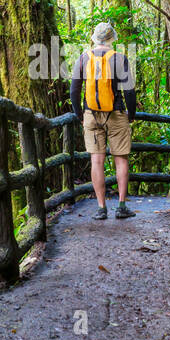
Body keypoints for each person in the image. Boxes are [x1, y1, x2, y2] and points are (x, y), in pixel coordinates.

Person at [69, 22, 137, 220]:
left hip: (91, 114)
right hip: (116, 113)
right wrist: (131, 114)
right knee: (121, 159)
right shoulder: (119, 59)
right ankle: (122, 206)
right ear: (111, 38)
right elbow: (129, 91)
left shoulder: (83, 58)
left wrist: (79, 114)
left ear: (95, 38)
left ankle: (101, 208)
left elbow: (74, 91)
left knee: (96, 160)